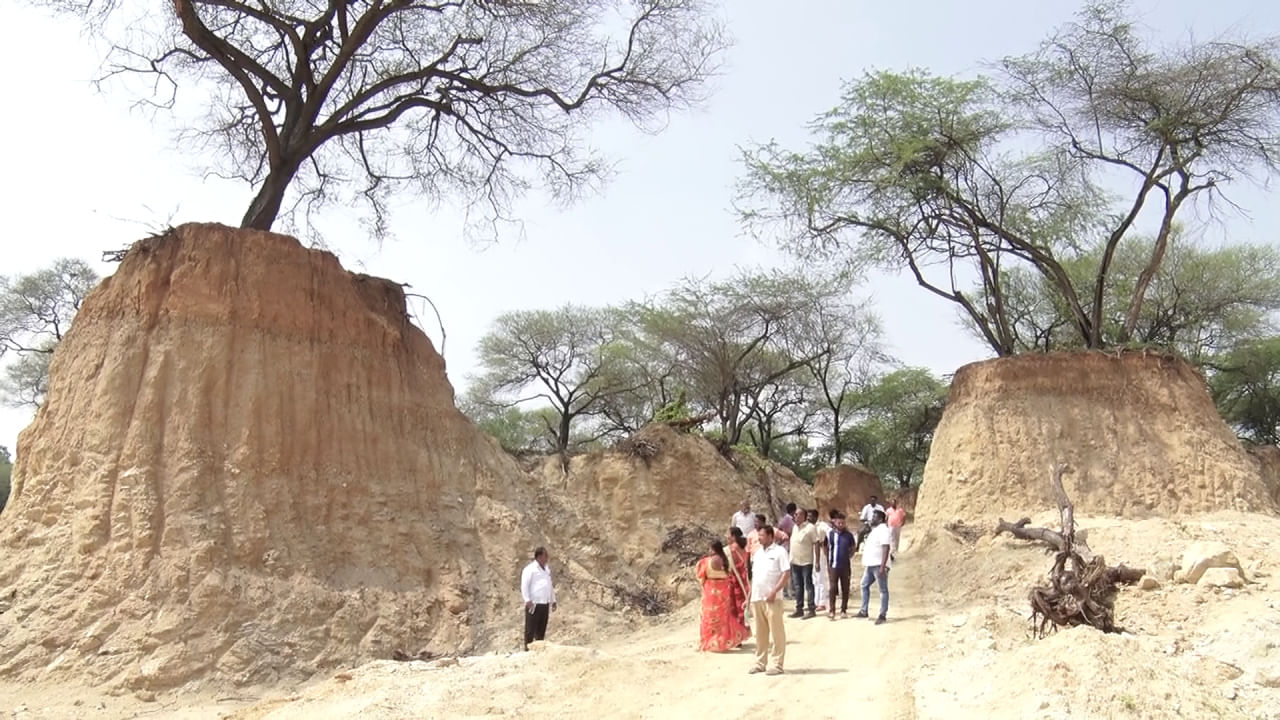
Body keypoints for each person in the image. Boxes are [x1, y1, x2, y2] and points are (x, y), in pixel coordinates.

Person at [748, 525, 790, 676]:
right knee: (760, 633)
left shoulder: (780, 552)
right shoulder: (758, 554)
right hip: (757, 598)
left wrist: (774, 591)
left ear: (771, 536)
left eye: (762, 536)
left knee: (776, 632)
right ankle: (760, 662)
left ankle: (778, 664)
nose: (759, 538)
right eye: (758, 536)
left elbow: (786, 574)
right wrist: (749, 598)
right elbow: (755, 577)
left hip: (773, 599)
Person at [696, 540, 752, 652]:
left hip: (711, 593)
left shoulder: (706, 562)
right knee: (723, 618)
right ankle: (723, 640)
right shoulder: (725, 560)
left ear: (713, 549)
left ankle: (710, 642)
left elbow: (701, 576)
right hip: (724, 593)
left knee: (709, 618)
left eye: (710, 548)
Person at [857, 510, 893, 624]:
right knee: (864, 584)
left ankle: (882, 615)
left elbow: (886, 548)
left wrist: (883, 566)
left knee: (882, 590)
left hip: (879, 565)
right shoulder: (875, 530)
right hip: (871, 565)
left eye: (874, 517)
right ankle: (864, 610)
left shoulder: (884, 530)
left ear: (881, 519)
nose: (872, 518)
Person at [520, 547, 557, 650]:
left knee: (541, 628)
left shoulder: (546, 570)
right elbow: (524, 585)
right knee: (530, 628)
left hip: (544, 603)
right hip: (534, 603)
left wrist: (553, 600)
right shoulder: (530, 569)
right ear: (539, 556)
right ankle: (527, 650)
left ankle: (538, 649)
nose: (547, 558)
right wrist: (527, 599)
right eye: (546, 556)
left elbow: (549, 585)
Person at [788, 508, 820, 619]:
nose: (794, 516)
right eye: (794, 514)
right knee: (797, 586)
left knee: (808, 585)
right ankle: (799, 609)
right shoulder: (794, 528)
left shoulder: (810, 528)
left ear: (803, 516)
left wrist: (817, 561)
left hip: (806, 562)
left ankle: (811, 609)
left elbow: (816, 543)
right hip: (795, 561)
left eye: (797, 515)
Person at [826, 512, 857, 618]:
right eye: (839, 523)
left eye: (843, 523)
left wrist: (849, 556)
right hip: (833, 566)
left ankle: (843, 610)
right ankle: (832, 610)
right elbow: (826, 547)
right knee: (833, 588)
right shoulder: (830, 534)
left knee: (845, 588)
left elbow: (853, 547)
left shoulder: (848, 535)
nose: (841, 525)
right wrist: (829, 560)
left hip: (845, 566)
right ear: (835, 523)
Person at [726, 526, 751, 633]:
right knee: (740, 606)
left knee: (735, 607)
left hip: (736, 580)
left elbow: (732, 566)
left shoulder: (733, 548)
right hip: (743, 577)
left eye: (728, 534)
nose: (726, 536)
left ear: (733, 536)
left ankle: (738, 633)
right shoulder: (742, 545)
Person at [812, 509, 831, 612]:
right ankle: (816, 601)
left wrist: (825, 545)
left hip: (820, 553)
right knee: (814, 579)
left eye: (811, 516)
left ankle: (822, 602)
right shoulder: (809, 526)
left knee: (821, 578)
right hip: (811, 553)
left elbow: (830, 533)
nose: (809, 518)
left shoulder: (822, 525)